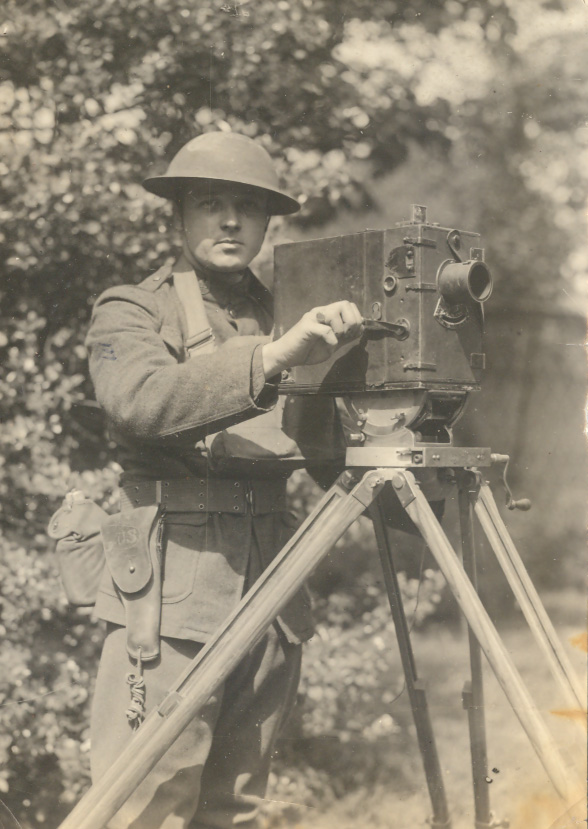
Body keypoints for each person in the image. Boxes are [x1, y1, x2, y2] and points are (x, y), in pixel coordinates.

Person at [85, 130, 363, 828]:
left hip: (272, 581)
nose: (231, 221)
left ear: (270, 224)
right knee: (146, 804)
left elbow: (325, 451)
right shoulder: (132, 308)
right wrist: (270, 359)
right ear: (177, 218)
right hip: (173, 594)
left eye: (248, 206)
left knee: (235, 808)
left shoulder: (292, 314)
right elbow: (141, 401)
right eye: (211, 204)